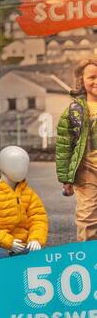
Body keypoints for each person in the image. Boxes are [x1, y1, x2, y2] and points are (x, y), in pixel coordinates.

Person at [57, 58, 97, 240]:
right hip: (86, 171)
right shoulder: (73, 111)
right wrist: (66, 179)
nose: (96, 81)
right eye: (92, 77)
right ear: (82, 80)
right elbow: (65, 147)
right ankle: (89, 260)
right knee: (87, 217)